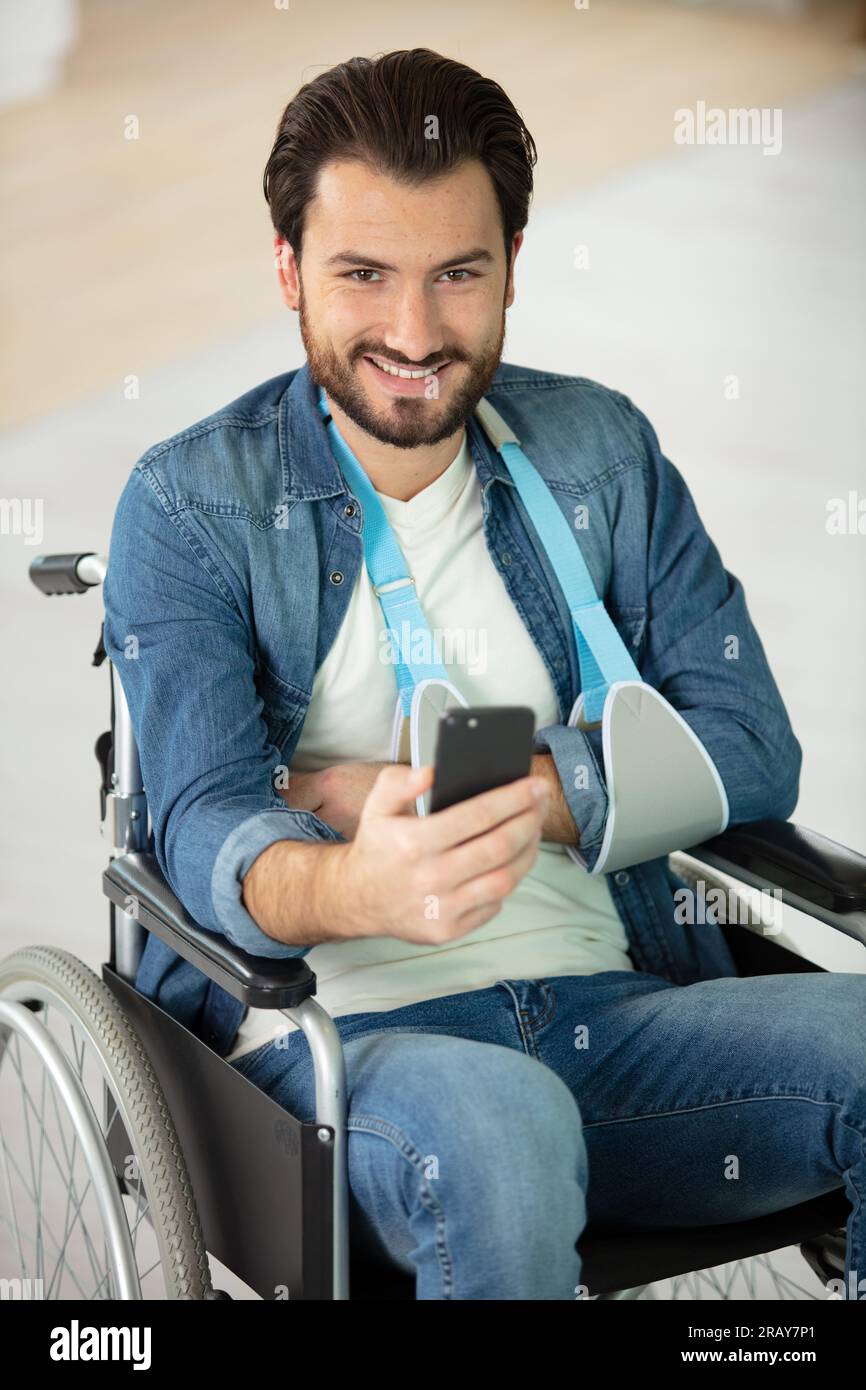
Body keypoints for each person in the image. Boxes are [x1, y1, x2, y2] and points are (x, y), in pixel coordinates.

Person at [102, 47, 865, 1301]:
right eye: (363, 275)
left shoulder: (600, 453)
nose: (413, 334)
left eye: (457, 275)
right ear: (287, 268)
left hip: (614, 1014)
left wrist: (512, 789)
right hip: (347, 1047)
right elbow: (202, 829)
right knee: (502, 1121)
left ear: (513, 258)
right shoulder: (190, 505)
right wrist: (352, 875)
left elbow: (747, 740)